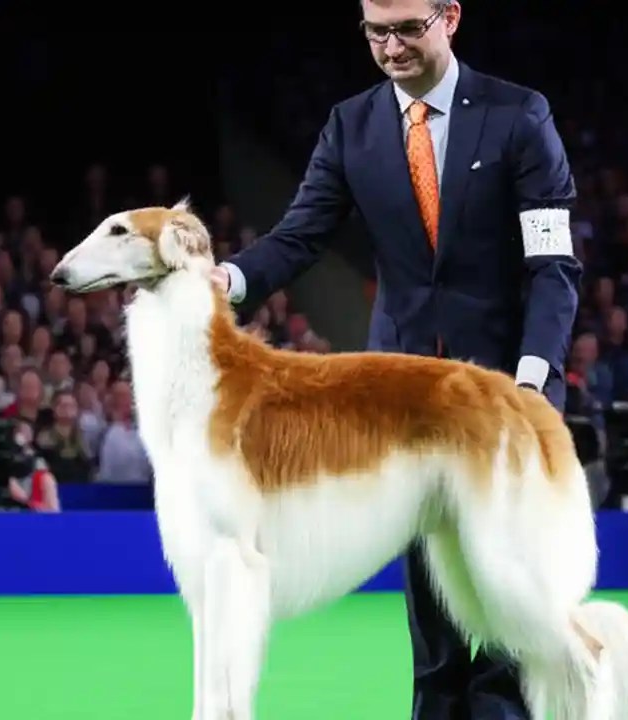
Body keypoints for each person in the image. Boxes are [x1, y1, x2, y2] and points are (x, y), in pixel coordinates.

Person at [213, 1, 580, 717]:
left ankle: (504, 701)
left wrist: (533, 376)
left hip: (506, 385)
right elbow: (298, 235)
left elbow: (552, 264)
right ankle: (436, 702)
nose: (390, 46)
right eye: (375, 31)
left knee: (505, 565)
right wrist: (232, 279)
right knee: (425, 565)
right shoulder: (352, 126)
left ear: (450, 17)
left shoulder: (520, 115)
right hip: (403, 391)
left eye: (408, 28)